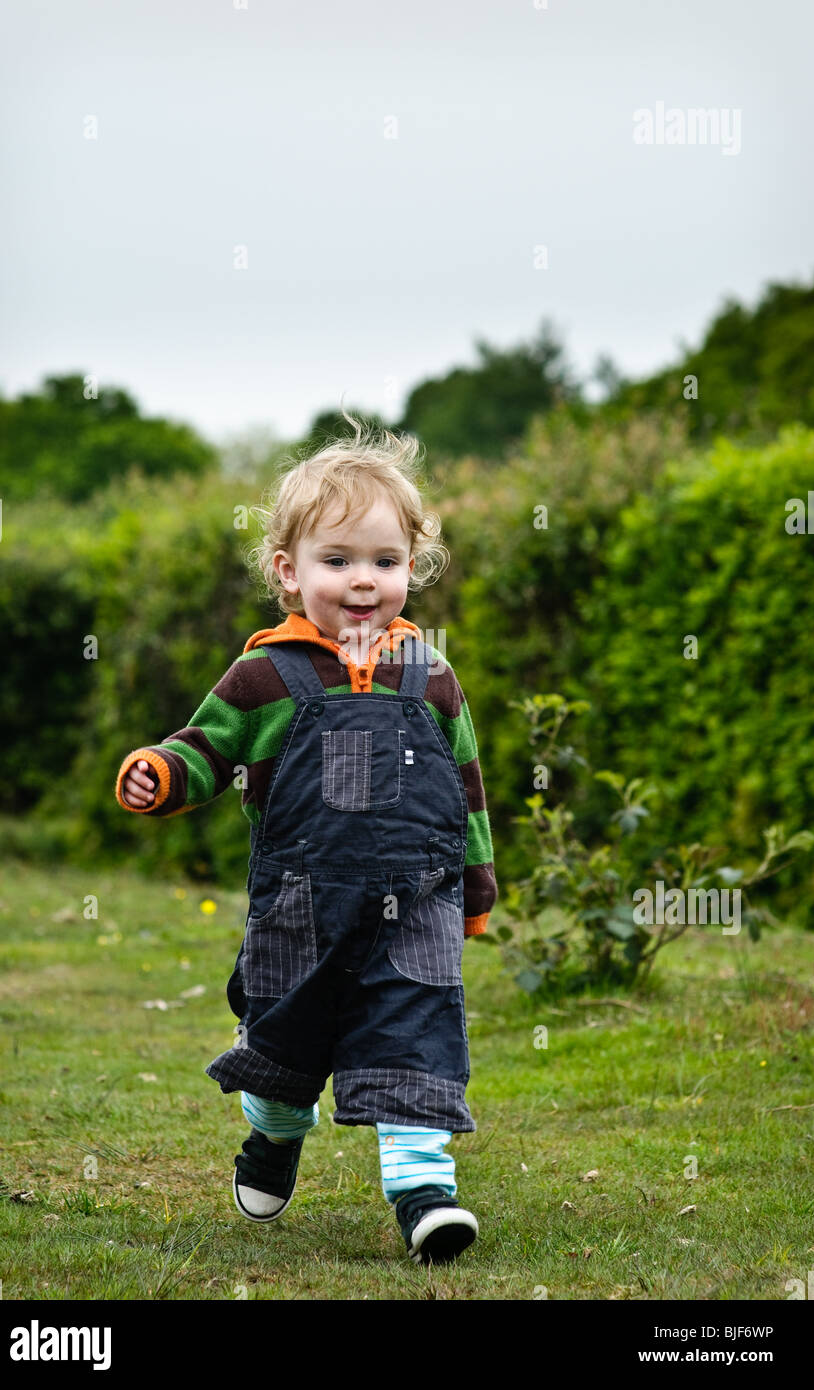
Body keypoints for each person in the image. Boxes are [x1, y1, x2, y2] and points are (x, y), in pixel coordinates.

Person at [114, 414, 498, 1265]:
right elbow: (203, 751)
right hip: (301, 906)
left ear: (412, 569)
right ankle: (274, 1136)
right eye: (338, 561)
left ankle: (424, 1195)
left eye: (385, 562)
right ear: (288, 571)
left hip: (416, 907)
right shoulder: (264, 676)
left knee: (415, 1034)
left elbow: (463, 790)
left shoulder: (431, 676)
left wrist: (475, 889)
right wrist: (159, 773)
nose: (364, 582)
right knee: (284, 1049)